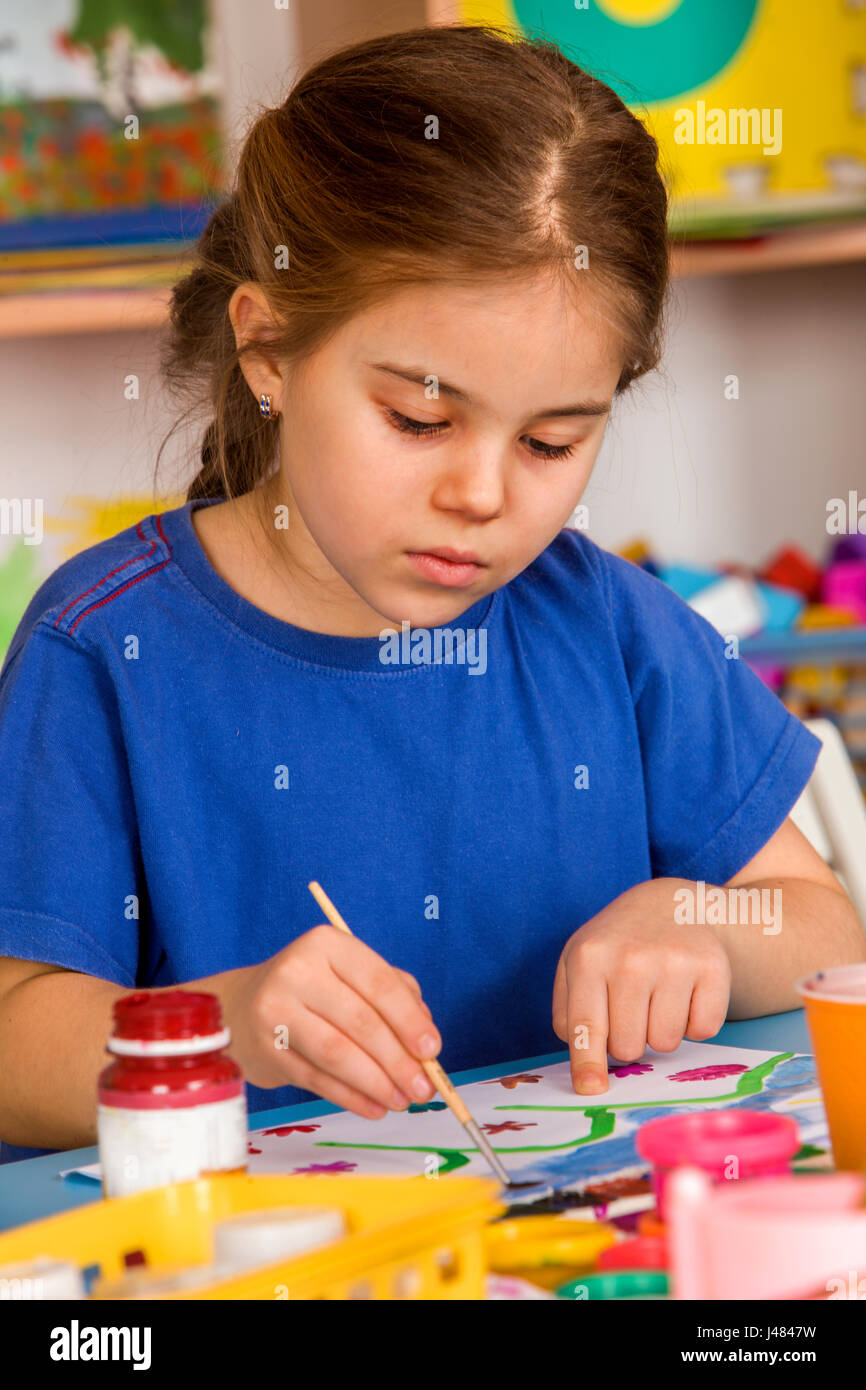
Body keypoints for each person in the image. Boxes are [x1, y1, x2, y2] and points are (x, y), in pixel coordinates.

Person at [1, 25, 861, 1163]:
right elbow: (13, 1054)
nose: (482, 494)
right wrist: (234, 1025)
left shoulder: (603, 620)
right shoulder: (103, 647)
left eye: (553, 440)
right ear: (267, 352)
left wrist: (692, 920)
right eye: (419, 419)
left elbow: (814, 917)